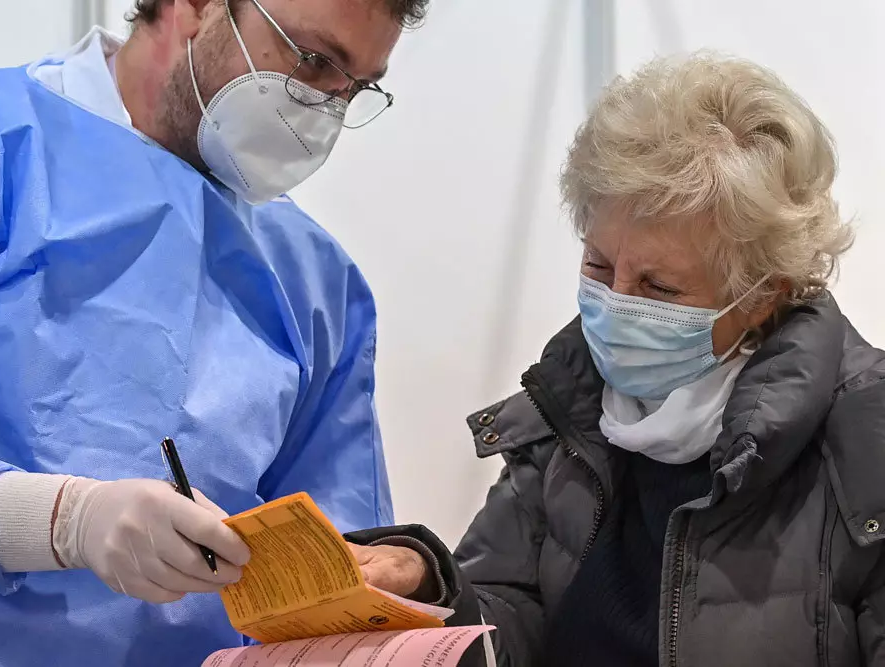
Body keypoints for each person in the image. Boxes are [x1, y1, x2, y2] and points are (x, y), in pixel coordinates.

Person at [0, 0, 426, 664]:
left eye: (354, 87)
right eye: (312, 61)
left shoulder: (315, 281)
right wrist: (62, 521)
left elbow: (342, 560)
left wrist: (401, 569)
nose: (324, 109)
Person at [350, 52, 885, 666]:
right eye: (598, 266)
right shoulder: (565, 411)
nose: (616, 306)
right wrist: (430, 588)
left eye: (660, 287)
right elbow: (510, 613)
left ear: (764, 293)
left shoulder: (865, 440)